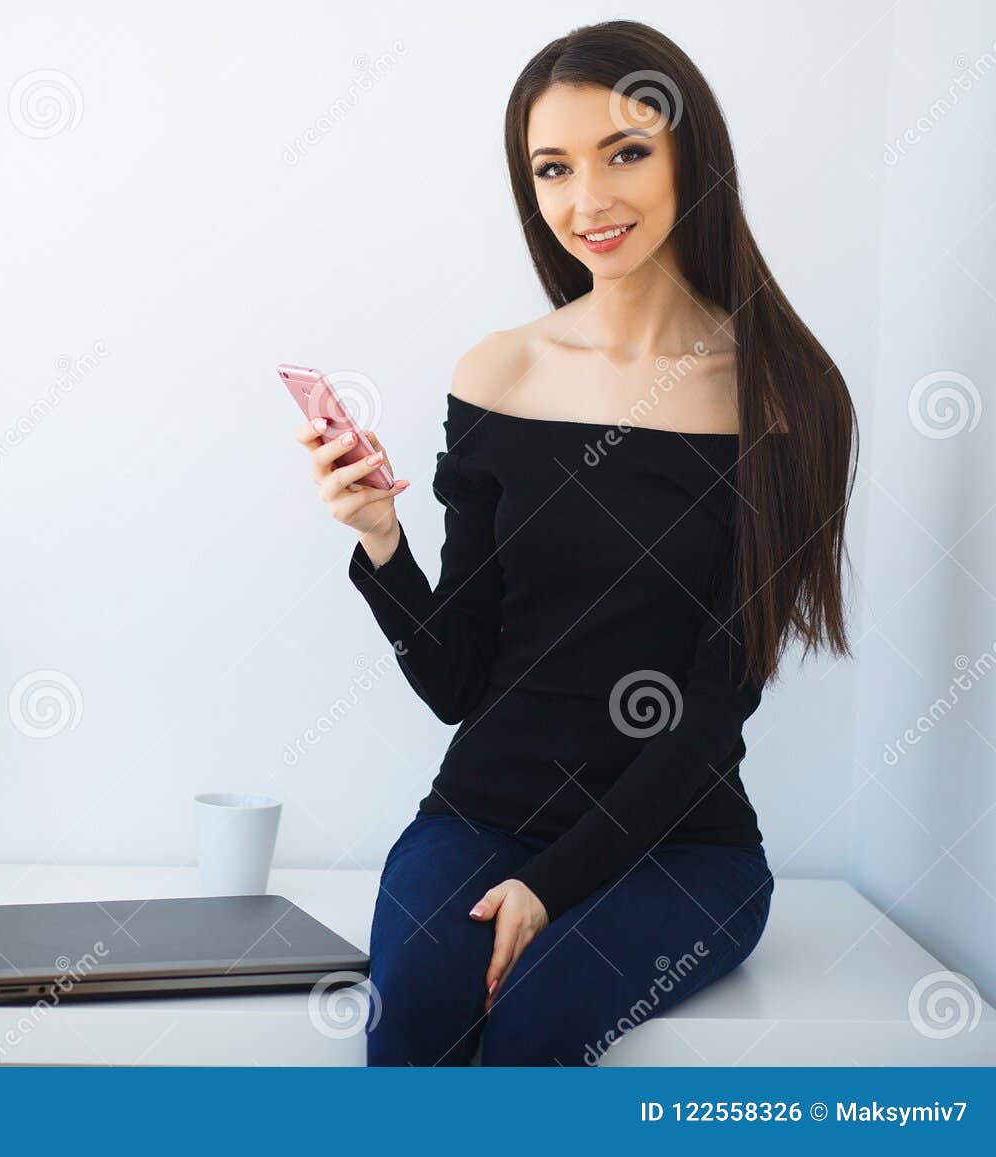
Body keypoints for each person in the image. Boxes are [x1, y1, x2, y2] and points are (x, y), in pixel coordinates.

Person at [293, 19, 856, 1066]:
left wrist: (550, 887)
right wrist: (381, 541)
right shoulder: (498, 372)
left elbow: (711, 709)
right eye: (553, 168)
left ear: (694, 157)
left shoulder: (784, 395)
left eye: (625, 154)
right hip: (479, 815)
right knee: (411, 1030)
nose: (586, 203)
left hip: (682, 845)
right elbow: (458, 677)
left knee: (530, 1031)